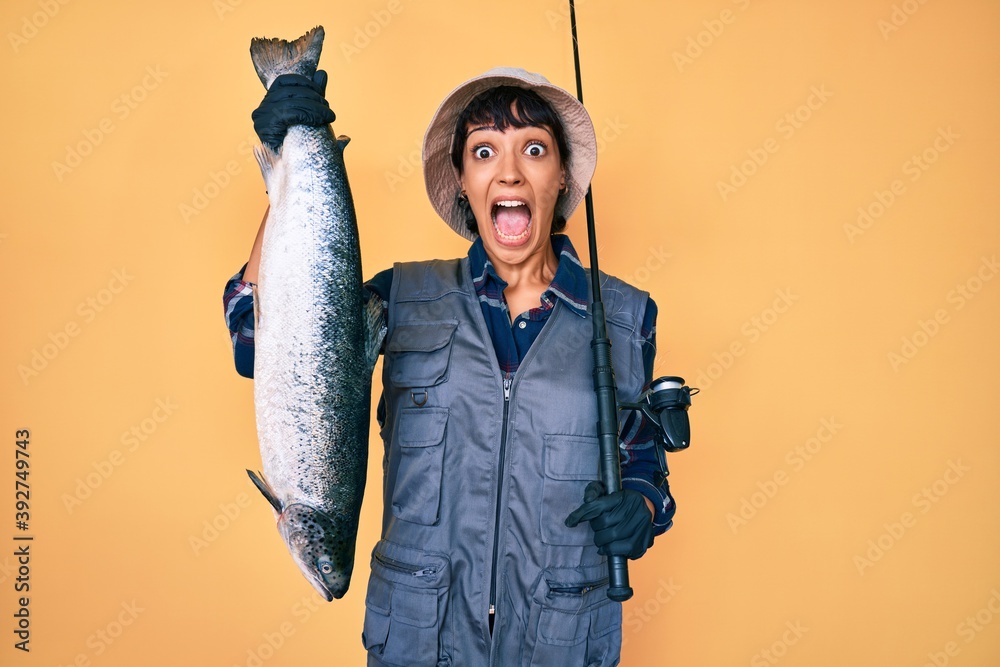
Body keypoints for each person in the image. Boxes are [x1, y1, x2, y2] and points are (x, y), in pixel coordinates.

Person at [223, 66, 676, 666]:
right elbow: (255, 337)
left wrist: (641, 507)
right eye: (484, 151)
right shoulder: (401, 299)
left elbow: (643, 458)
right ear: (464, 181)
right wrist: (289, 163)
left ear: (561, 175)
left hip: (563, 643)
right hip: (418, 641)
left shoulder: (624, 317)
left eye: (533, 150)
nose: (508, 170)